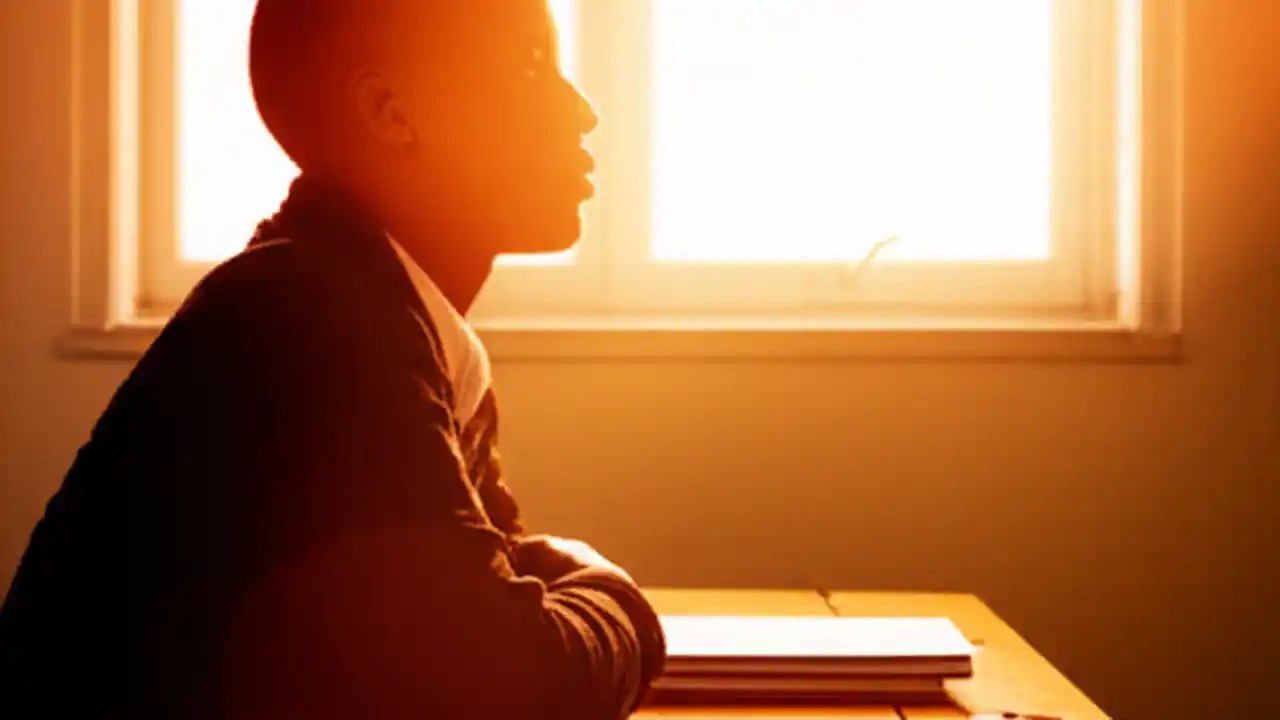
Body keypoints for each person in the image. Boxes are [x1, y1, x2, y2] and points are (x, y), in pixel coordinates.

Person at [0, 1, 666, 717]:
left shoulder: (377, 309)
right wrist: (618, 600)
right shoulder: (315, 322)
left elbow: (476, 613)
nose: (581, 110)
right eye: (532, 65)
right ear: (390, 112)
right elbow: (505, 684)